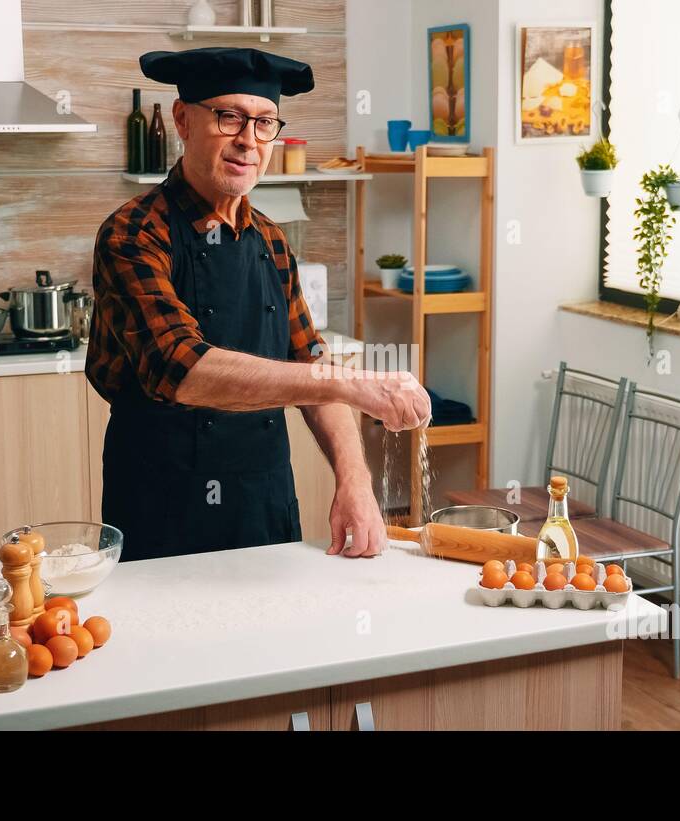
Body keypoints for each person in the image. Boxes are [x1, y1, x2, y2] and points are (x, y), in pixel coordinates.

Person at [86, 47, 431, 562]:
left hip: (264, 501)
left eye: (265, 122)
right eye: (229, 117)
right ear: (183, 120)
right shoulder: (134, 233)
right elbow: (181, 369)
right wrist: (353, 382)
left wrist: (355, 479)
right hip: (163, 510)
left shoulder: (271, 240)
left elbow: (308, 362)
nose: (248, 140)